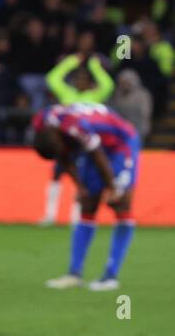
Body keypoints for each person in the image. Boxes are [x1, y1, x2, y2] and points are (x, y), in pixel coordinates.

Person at [32, 103, 140, 292]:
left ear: (59, 138)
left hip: (121, 142)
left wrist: (112, 187)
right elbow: (63, 156)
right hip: (93, 145)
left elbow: (97, 154)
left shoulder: (76, 127)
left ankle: (110, 275)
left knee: (121, 204)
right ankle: (74, 274)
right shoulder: (42, 122)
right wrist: (80, 186)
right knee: (88, 203)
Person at [39, 51, 113, 225]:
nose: (79, 82)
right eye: (77, 79)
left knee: (81, 180)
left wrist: (95, 67)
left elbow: (108, 85)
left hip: (83, 146)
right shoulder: (67, 94)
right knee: (56, 177)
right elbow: (52, 78)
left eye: (83, 79)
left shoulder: (94, 97)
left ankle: (76, 216)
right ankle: (50, 215)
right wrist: (71, 61)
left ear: (89, 83)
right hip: (64, 145)